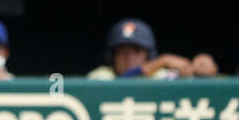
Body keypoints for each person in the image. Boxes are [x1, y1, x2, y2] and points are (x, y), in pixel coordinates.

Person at [88, 19, 217, 80]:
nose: (129, 57)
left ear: (148, 55)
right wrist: (162, 61)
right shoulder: (101, 75)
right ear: (112, 56)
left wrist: (201, 70)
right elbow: (117, 86)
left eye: (136, 51)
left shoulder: (158, 75)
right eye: (122, 51)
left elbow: (185, 78)